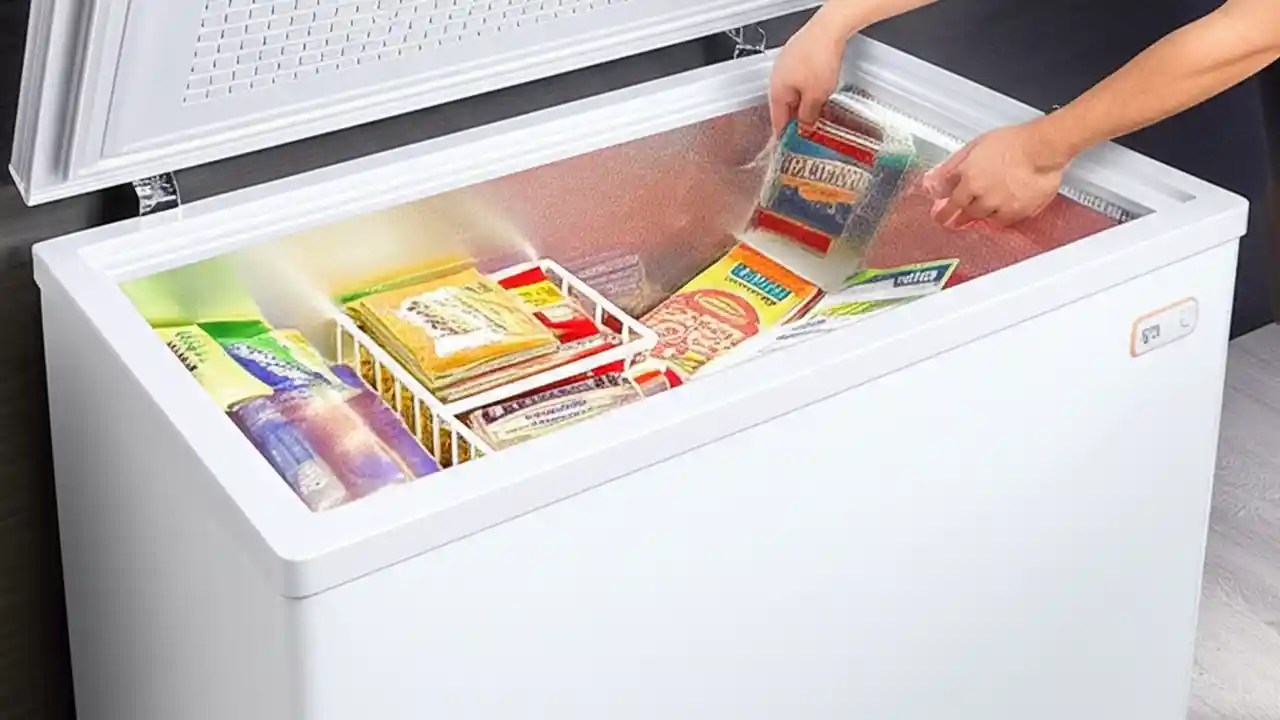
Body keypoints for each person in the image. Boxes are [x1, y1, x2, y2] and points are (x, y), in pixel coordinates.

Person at [769, 0, 1280, 230]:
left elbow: (1256, 27)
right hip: (1055, 102)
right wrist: (833, 23)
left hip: (1181, 116)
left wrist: (1042, 149)